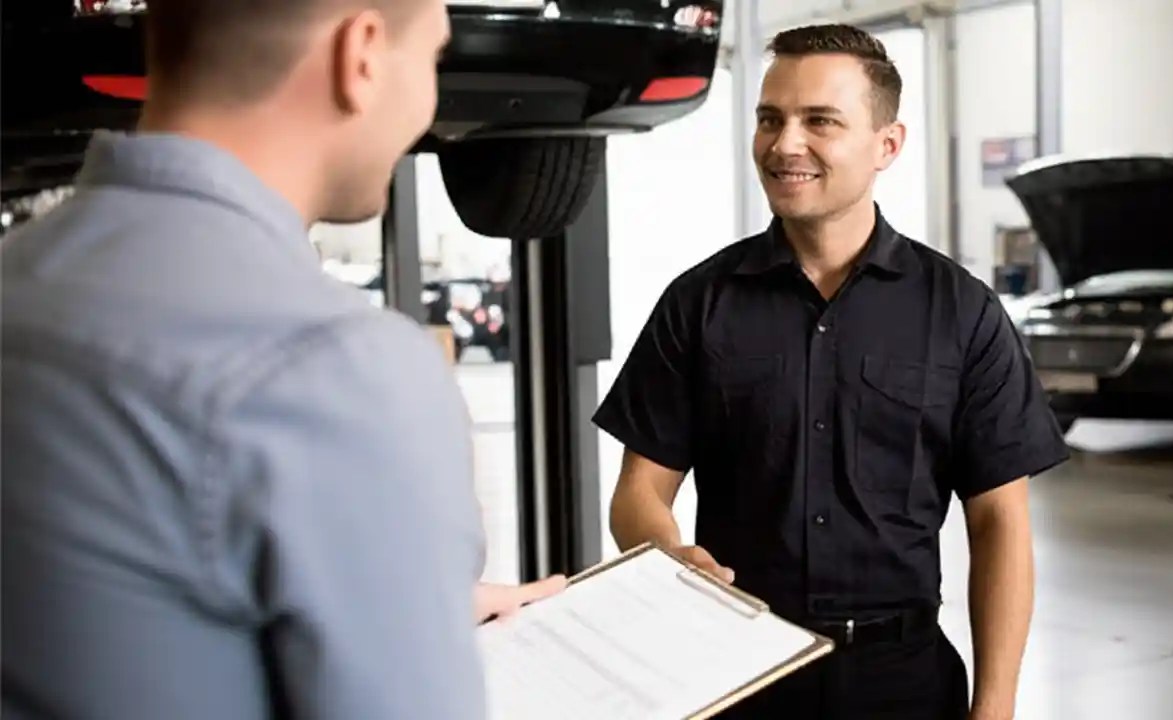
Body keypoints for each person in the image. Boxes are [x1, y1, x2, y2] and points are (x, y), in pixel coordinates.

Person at [1, 1, 564, 718]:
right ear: (360, 57)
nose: (428, 105)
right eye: (433, 58)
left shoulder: (19, 282)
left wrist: (392, 603)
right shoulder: (337, 368)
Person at [594, 23, 1069, 720]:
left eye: (820, 121)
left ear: (887, 145)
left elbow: (1000, 521)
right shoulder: (698, 304)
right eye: (769, 119)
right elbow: (638, 493)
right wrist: (671, 557)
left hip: (903, 684)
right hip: (740, 675)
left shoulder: (961, 313)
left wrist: (994, 706)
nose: (785, 144)